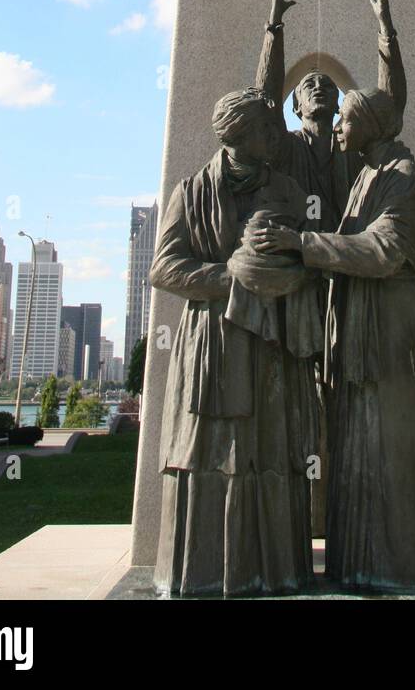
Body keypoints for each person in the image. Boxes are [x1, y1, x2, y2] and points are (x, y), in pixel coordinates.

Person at [250, 86, 415, 593]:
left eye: (346, 119)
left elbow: (381, 250)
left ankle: (411, 565)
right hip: (363, 327)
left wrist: (302, 244)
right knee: (363, 445)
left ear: (372, 126)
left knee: (396, 444)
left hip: (397, 332)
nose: (336, 126)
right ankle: (361, 563)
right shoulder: (365, 176)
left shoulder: (403, 176)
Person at [149, 89, 320, 598]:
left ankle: (273, 571)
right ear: (244, 136)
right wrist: (233, 275)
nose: (278, 137)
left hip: (272, 340)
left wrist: (285, 272)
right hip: (214, 341)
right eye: (269, 130)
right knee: (211, 452)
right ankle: (206, 573)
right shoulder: (191, 191)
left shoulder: (289, 190)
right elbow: (163, 268)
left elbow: (305, 261)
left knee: (271, 448)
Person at [254, 0, 406, 233]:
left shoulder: (354, 149)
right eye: (308, 85)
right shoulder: (287, 147)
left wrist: (386, 30)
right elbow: (265, 104)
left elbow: (390, 109)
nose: (318, 87)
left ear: (339, 103)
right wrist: (274, 28)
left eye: (327, 84)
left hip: (348, 261)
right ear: (296, 105)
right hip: (297, 260)